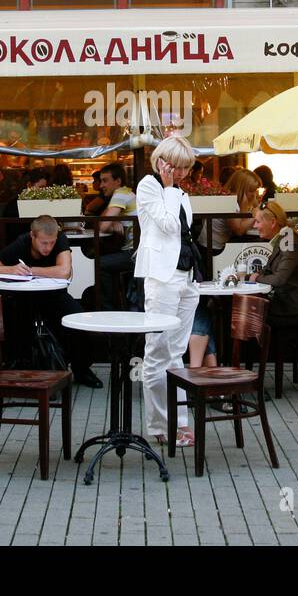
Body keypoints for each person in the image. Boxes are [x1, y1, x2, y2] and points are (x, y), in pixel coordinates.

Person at [0, 215, 103, 388]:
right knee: (12, 319)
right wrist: (11, 269)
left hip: (54, 295)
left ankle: (81, 369)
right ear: (32, 236)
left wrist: (30, 270)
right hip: (24, 298)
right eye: (43, 243)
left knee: (78, 323)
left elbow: (64, 271)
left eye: (51, 242)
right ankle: (16, 367)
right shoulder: (22, 243)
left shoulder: (60, 240)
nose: (48, 247)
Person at [135, 135, 200, 447]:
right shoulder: (149, 186)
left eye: (186, 168)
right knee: (157, 350)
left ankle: (180, 421)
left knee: (176, 352)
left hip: (186, 278)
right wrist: (170, 187)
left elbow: (184, 232)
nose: (181, 173)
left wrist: (175, 188)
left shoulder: (180, 193)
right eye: (176, 166)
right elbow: (168, 226)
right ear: (162, 162)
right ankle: (160, 425)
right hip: (162, 278)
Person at [189, 168, 261, 368]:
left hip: (216, 253)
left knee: (211, 307)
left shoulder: (234, 201)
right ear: (241, 189)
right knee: (211, 305)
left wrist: (253, 207)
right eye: (251, 191)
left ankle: (214, 361)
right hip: (210, 254)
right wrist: (255, 215)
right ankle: (217, 361)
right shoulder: (229, 201)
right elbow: (238, 228)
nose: (254, 196)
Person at [246, 200, 298, 323]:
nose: (254, 226)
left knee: (246, 316)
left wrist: (256, 278)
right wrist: (246, 277)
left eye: (258, 222)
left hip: (290, 310)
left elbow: (279, 279)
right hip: (283, 306)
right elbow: (267, 271)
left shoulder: (288, 241)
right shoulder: (285, 238)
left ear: (272, 222)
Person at [93, 162, 138, 310]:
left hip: (135, 254)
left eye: (105, 180)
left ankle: (109, 310)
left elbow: (102, 226)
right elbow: (105, 220)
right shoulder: (124, 193)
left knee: (99, 264)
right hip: (134, 251)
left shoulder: (120, 194)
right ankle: (115, 306)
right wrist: (114, 221)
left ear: (117, 181)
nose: (101, 185)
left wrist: (110, 222)